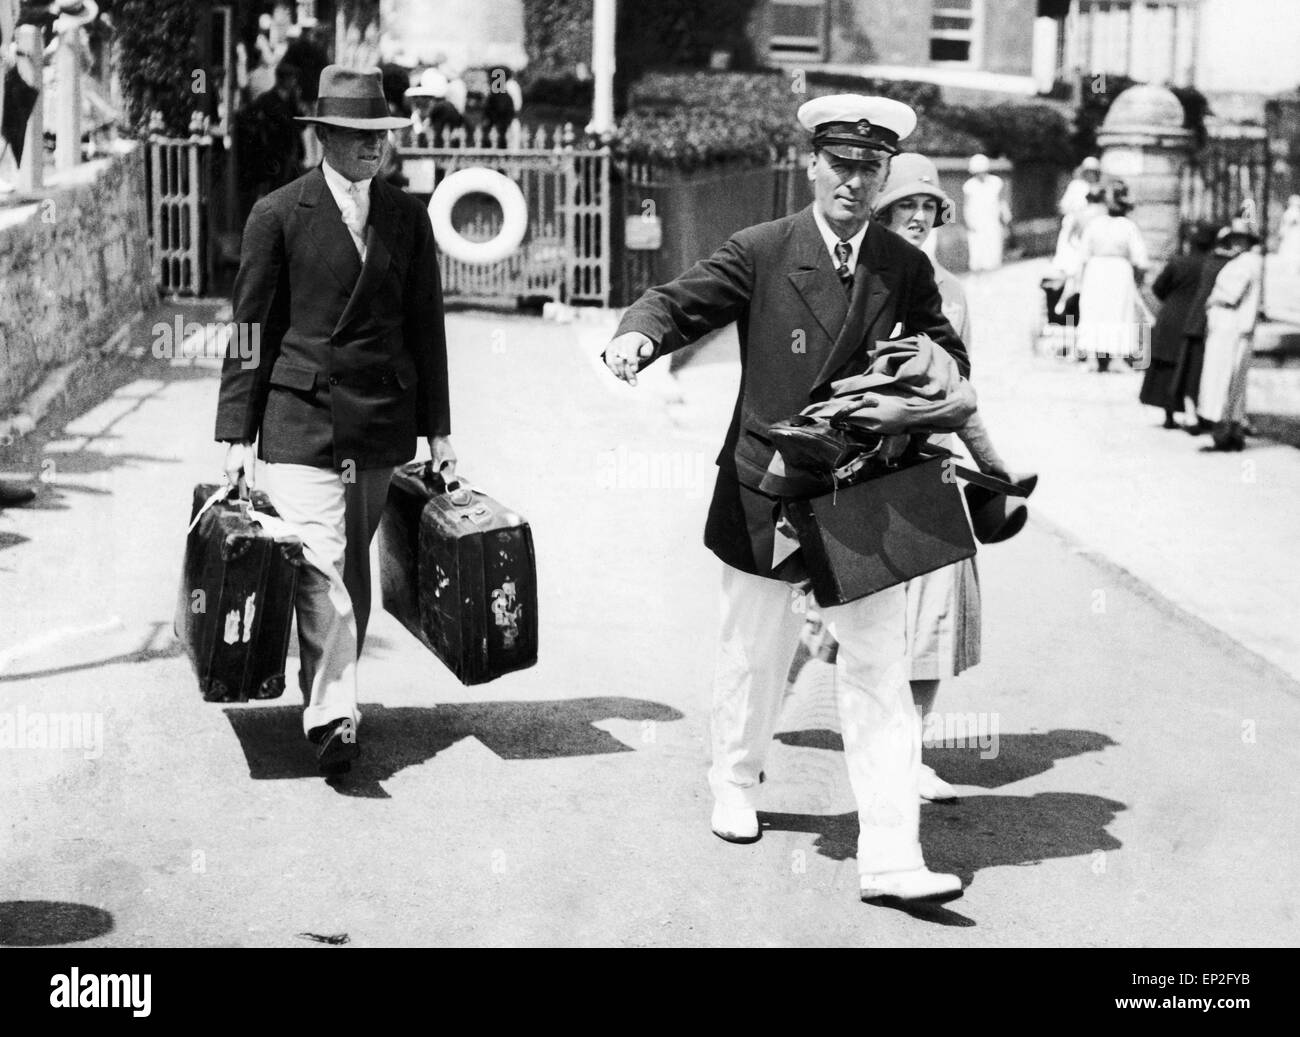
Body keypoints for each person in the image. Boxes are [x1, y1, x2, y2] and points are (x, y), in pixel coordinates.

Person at [603, 95, 970, 905]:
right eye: (840, 164)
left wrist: (921, 381)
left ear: (883, 176)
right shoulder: (765, 248)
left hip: (863, 493)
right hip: (768, 488)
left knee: (877, 670)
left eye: (869, 168)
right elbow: (680, 301)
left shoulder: (903, 267)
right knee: (754, 651)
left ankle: (891, 856)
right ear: (811, 166)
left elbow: (947, 353)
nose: (853, 181)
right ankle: (735, 779)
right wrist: (637, 335)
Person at [216, 66, 455, 777]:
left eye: (381, 133)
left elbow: (427, 331)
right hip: (302, 418)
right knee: (319, 564)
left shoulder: (408, 218)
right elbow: (249, 332)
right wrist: (236, 435)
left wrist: (440, 433)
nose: (373, 146)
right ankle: (332, 714)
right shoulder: (278, 214)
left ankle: (332, 693)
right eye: (357, 134)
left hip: (379, 424)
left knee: (352, 570)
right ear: (323, 135)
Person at [873, 153, 1017, 803]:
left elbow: (959, 391)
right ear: (882, 210)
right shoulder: (857, 277)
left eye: (927, 206)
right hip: (853, 469)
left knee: (933, 622)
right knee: (822, 619)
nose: (917, 216)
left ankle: (906, 755)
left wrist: (992, 463)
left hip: (929, 471)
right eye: (905, 204)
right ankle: (751, 746)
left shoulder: (953, 293)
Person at [1140, 223, 1217, 427]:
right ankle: (1194, 412)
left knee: (1167, 366)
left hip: (1171, 317)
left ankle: (1169, 415)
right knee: (1191, 367)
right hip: (1198, 318)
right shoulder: (1212, 265)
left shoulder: (1178, 262)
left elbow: (1158, 288)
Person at [1197, 219, 1263, 451]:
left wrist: (1213, 300)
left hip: (1230, 325)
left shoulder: (1245, 263)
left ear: (1248, 241)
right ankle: (1232, 430)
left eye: (1240, 238)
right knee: (1234, 381)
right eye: (1233, 238)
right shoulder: (1247, 261)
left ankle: (1223, 433)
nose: (1235, 242)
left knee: (1222, 379)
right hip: (1234, 326)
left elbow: (1229, 294)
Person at [1171, 226, 1239, 434]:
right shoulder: (1230, 264)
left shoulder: (1206, 262)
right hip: (1216, 325)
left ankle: (1192, 414)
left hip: (1197, 322)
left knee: (1191, 371)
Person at [1076, 180, 1148, 372]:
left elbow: (1083, 254)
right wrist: (1139, 280)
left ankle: (1094, 358)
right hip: (1118, 272)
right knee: (1117, 312)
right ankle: (1114, 357)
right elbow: (1141, 260)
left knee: (1096, 312)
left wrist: (1080, 279)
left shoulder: (1095, 224)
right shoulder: (1128, 227)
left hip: (1096, 271)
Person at [235, 61, 303, 222]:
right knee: (275, 187)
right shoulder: (267, 100)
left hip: (289, 151)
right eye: (291, 79)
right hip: (272, 152)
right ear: (283, 79)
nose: (294, 82)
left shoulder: (291, 99)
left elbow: (299, 122)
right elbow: (249, 117)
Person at [962, 153, 1010, 273]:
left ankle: (993, 273)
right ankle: (978, 274)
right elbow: (966, 205)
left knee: (993, 248)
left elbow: (1002, 201)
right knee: (977, 250)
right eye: (977, 172)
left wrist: (1006, 216)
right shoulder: (969, 185)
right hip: (976, 222)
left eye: (982, 171)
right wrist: (968, 221)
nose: (980, 174)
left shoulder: (996, 182)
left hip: (992, 220)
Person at [1278, 194, 1300, 277]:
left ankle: (1293, 270)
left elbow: (1288, 224)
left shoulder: (1292, 212)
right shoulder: (1291, 212)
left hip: (1293, 235)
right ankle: (1292, 270)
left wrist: (1282, 232)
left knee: (1292, 252)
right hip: (1292, 235)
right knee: (1292, 252)